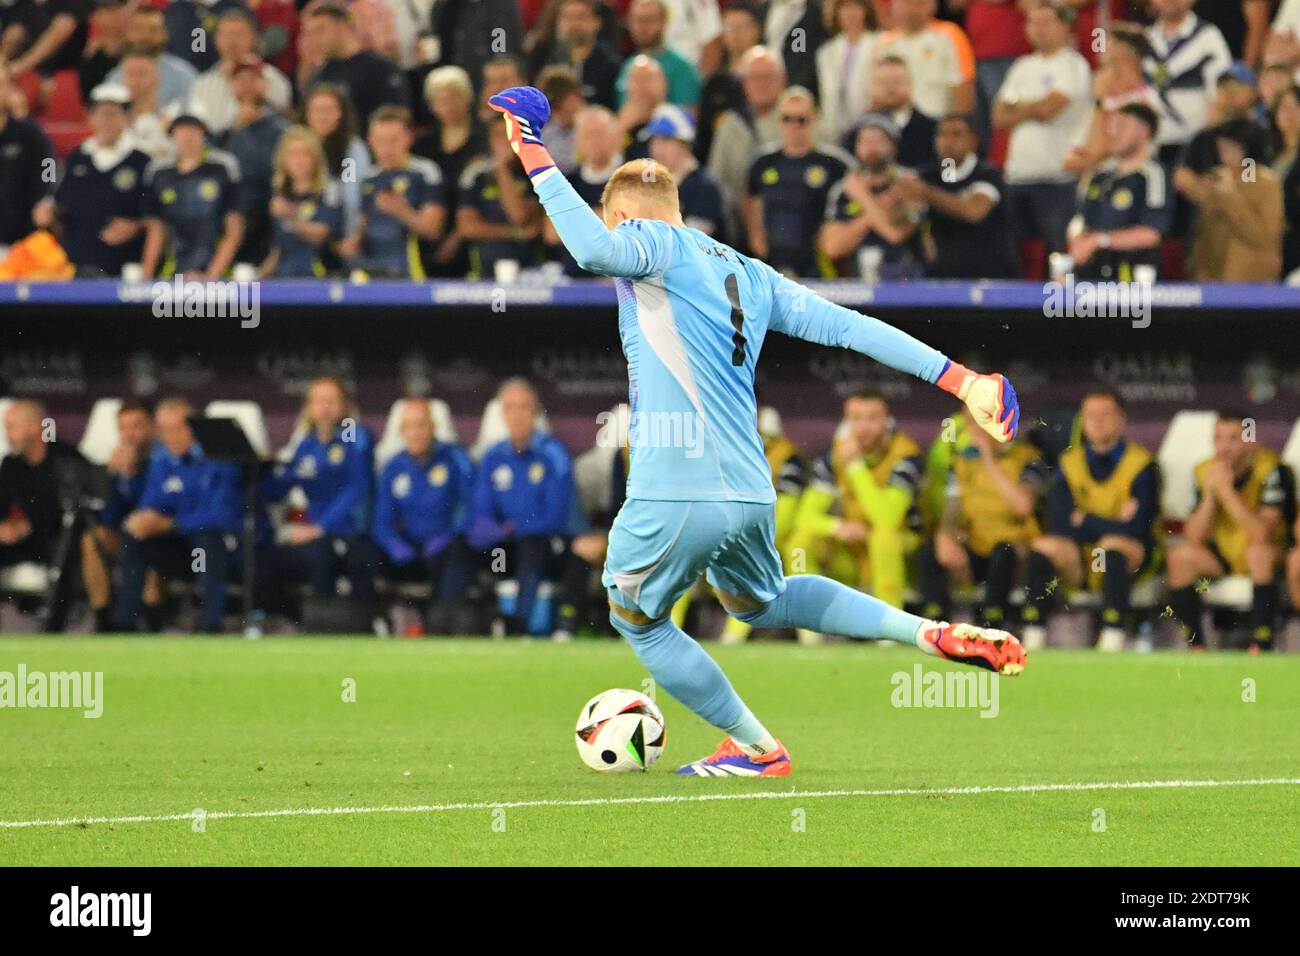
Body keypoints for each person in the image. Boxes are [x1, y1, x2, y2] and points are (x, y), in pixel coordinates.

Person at [487, 84, 1024, 778]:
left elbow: (592, 250)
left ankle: (756, 746)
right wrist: (962, 380)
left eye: (612, 219)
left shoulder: (649, 244)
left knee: (635, 616)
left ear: (625, 216)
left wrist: (530, 149)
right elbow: (851, 327)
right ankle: (927, 632)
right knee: (762, 601)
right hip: (746, 490)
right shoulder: (749, 270)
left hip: (675, 489)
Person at [1022, 388, 1158, 654]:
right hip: (1081, 558)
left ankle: (1113, 633)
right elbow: (1060, 524)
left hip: (1129, 557)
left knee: (1114, 546)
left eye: (1106, 414)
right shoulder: (1069, 462)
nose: (1096, 421)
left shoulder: (1142, 464)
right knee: (1045, 547)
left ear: (1122, 421)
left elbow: (1139, 527)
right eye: (1090, 415)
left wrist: (1085, 520)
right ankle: (1033, 632)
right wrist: (1111, 523)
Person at [112, 398, 245, 634]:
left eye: (178, 428)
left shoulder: (219, 459)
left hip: (222, 550)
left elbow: (223, 516)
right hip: (179, 549)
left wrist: (173, 523)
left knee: (207, 539)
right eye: (164, 430)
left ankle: (209, 625)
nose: (171, 436)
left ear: (194, 428)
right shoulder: (162, 461)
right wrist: (145, 520)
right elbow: (151, 503)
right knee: (135, 537)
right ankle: (126, 621)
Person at [784, 391, 925, 612]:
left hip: (904, 551)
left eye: (872, 418)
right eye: (856, 418)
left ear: (887, 420)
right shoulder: (833, 458)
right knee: (799, 543)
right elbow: (804, 518)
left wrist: (855, 466)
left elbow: (886, 518)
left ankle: (888, 626)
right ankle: (809, 634)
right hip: (854, 549)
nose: (864, 426)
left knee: (883, 536)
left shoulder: (905, 456)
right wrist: (839, 527)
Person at [1166, 412, 1295, 653]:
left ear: (1250, 440)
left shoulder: (1272, 470)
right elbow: (1194, 537)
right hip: (1224, 554)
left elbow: (1261, 534)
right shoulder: (1204, 470)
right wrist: (1210, 497)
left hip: (1269, 555)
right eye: (1218, 439)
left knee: (1258, 553)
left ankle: (1260, 644)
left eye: (1233, 439)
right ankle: (1197, 647)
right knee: (1179, 557)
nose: (1223, 447)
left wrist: (1226, 492)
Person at [468, 378, 585, 638]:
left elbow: (555, 516)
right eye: (510, 408)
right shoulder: (493, 456)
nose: (517, 415)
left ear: (535, 413)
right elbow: (482, 509)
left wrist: (514, 527)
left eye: (524, 408)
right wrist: (499, 531)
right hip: (505, 547)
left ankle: (520, 626)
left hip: (547, 547)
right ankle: (475, 625)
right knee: (466, 548)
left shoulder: (553, 453)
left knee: (532, 545)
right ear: (502, 414)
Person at [917, 408, 1047, 630]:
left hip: (1014, 549)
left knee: (1002, 553)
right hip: (974, 545)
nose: (977, 431)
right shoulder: (962, 461)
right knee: (930, 551)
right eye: (972, 423)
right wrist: (945, 536)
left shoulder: (1028, 458)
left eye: (984, 422)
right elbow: (952, 507)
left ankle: (993, 623)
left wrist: (988, 459)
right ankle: (936, 624)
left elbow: (1022, 506)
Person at [264, 376, 378, 607]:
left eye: (332, 401)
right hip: (315, 537)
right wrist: (259, 471)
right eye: (318, 401)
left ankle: (336, 623)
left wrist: (321, 527)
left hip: (352, 534)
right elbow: (280, 487)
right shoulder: (307, 444)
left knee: (325, 555)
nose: (325, 408)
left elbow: (357, 487)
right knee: (268, 558)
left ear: (345, 405)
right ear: (308, 407)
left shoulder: (352, 434)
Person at [994, 1, 1094, 257]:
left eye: (1046, 22)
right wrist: (1034, 106)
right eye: (1032, 23)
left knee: (1058, 252)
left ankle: (1059, 297)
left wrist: (1018, 106)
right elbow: (998, 117)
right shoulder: (1022, 66)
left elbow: (1049, 110)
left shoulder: (1072, 64)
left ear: (1064, 26)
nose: (1038, 29)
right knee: (1011, 253)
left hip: (1057, 177)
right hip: (1018, 175)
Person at [373, 399, 477, 634]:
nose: (416, 432)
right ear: (401, 432)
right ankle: (375, 624)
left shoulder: (455, 459)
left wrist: (448, 535)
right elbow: (381, 521)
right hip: (408, 551)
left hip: (445, 546)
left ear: (433, 427)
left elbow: (471, 506)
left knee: (459, 551)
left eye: (421, 425)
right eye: (409, 426)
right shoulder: (394, 467)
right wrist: (394, 544)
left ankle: (441, 623)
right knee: (366, 553)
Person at [31, 83, 150, 278]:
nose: (107, 121)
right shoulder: (78, 157)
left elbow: (155, 216)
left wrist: (137, 226)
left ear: (127, 118)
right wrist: (48, 213)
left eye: (113, 114)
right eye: (101, 114)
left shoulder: (142, 161)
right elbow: (62, 206)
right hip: (75, 263)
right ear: (90, 117)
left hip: (122, 267)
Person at [744, 87, 851, 274]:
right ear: (778, 120)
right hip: (773, 262)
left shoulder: (834, 165)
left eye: (801, 119)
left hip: (820, 263)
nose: (793, 125)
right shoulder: (762, 163)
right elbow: (750, 201)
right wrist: (757, 241)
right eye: (787, 118)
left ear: (814, 120)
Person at [899, 111, 1017, 279]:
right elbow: (904, 221)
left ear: (973, 141)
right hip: (937, 279)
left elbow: (973, 211)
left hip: (990, 279)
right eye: (942, 134)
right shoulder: (926, 176)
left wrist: (925, 192)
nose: (948, 142)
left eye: (957, 134)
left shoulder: (987, 174)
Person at [1067, 103, 1171, 282]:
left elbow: (1152, 233)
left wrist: (1100, 240)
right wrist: (1076, 244)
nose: (1114, 133)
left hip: (1133, 276)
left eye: (1122, 126)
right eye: (1112, 126)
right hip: (1091, 275)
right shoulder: (1100, 175)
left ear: (1144, 132)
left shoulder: (1153, 175)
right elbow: (1080, 220)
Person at [342, 105, 445, 279]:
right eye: (380, 140)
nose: (387, 148)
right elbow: (362, 225)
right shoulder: (368, 178)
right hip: (371, 273)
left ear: (409, 138)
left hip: (413, 273)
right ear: (370, 141)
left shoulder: (425, 172)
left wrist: (401, 211)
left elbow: (433, 230)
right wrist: (352, 243)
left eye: (394, 140)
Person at [141, 113, 244, 280]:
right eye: (181, 130)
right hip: (171, 272)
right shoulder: (159, 173)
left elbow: (234, 230)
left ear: (204, 134)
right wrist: (145, 279)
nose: (187, 136)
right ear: (172, 135)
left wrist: (210, 276)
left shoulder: (222, 169)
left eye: (193, 130)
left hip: (217, 274)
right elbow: (156, 230)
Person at [81, 400, 154, 633]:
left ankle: (150, 620)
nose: (129, 434)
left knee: (146, 543)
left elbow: (154, 508)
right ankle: (103, 619)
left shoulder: (162, 460)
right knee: (93, 539)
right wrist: (113, 478)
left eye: (137, 426)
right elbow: (109, 518)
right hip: (123, 537)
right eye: (123, 427)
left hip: (158, 537)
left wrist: (132, 477)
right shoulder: (118, 463)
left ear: (153, 427)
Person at [261, 125, 344, 278]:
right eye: (293, 154)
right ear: (283, 159)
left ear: (316, 158)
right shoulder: (279, 194)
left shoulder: (330, 190)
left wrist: (292, 219)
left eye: (305, 154)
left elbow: (322, 235)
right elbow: (279, 248)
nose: (299, 160)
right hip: (283, 276)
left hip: (318, 277)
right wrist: (257, 276)